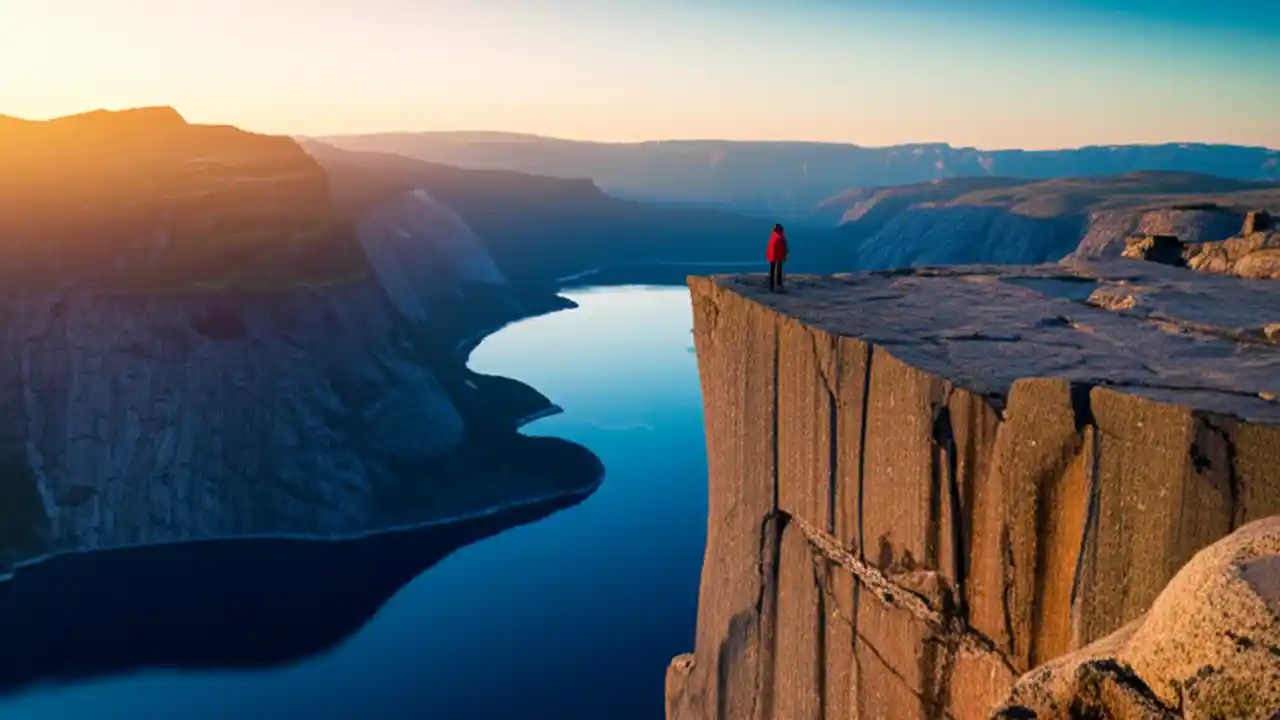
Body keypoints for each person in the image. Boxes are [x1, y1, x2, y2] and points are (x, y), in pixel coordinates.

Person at [766, 223, 788, 292]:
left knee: (772, 271)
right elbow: (784, 248)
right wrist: (784, 256)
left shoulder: (773, 236)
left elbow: (769, 247)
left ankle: (772, 285)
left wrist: (768, 256)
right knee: (779, 271)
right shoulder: (781, 237)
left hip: (773, 257)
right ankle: (778, 284)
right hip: (779, 257)